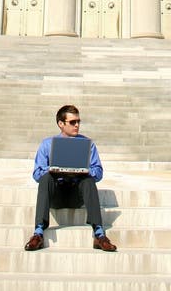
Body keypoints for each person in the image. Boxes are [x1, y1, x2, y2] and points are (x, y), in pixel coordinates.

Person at [24, 104, 117, 252]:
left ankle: (99, 234)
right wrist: (54, 169)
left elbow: (98, 173)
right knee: (46, 178)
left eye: (78, 121)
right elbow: (36, 174)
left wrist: (84, 171)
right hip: (55, 194)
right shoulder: (47, 144)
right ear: (61, 124)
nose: (77, 125)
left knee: (88, 180)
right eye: (72, 122)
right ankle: (38, 233)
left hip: (77, 195)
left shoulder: (88, 144)